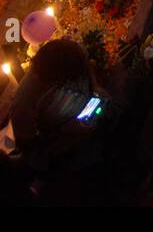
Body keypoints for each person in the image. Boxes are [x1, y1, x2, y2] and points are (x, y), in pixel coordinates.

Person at [8, 38, 106, 176]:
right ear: (55, 82)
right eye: (69, 82)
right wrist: (64, 130)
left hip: (84, 117)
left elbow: (86, 64)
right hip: (64, 146)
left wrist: (95, 87)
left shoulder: (72, 52)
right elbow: (29, 147)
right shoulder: (23, 104)